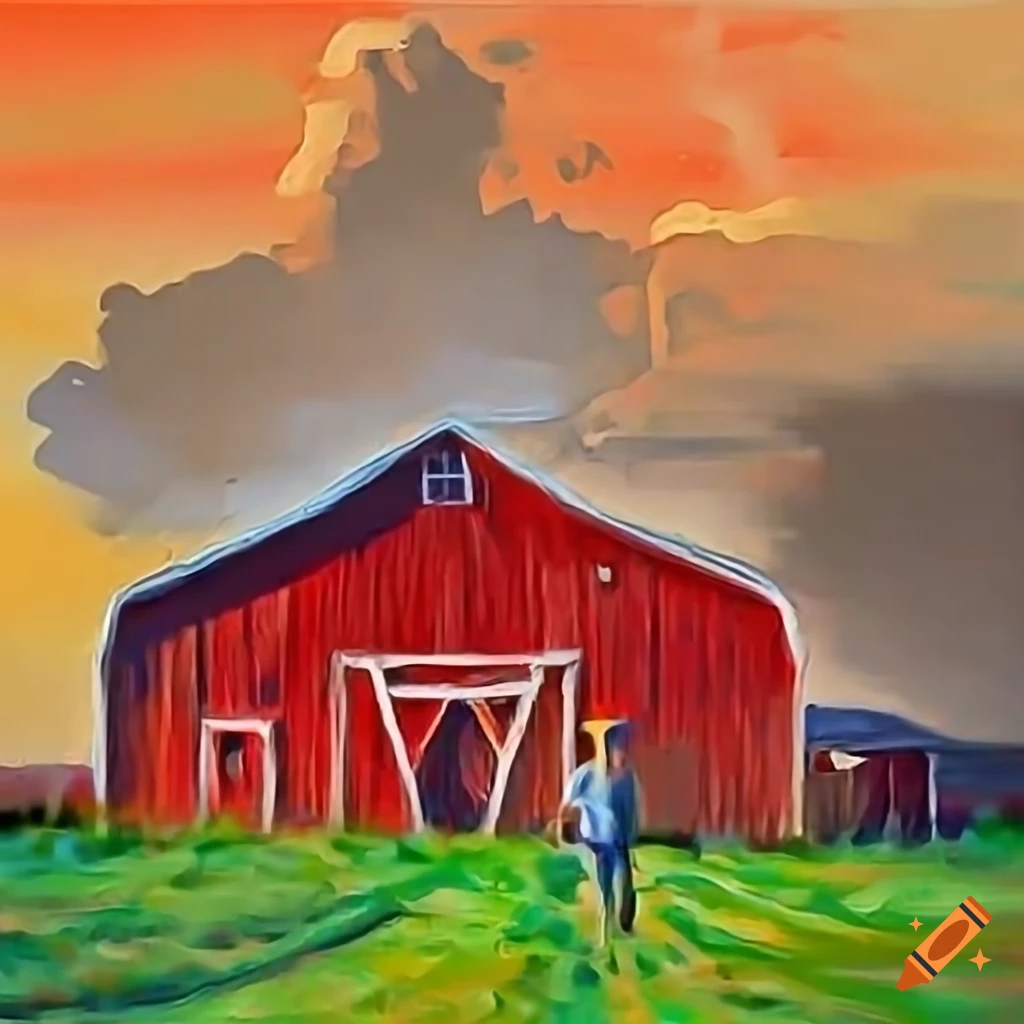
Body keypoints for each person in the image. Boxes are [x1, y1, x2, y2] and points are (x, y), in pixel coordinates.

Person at [558, 722, 640, 945]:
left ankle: (625, 924)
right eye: (618, 749)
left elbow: (630, 810)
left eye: (625, 749)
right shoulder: (586, 775)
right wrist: (569, 829)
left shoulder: (627, 778)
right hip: (599, 841)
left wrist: (631, 838)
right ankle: (605, 931)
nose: (623, 755)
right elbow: (567, 805)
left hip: (620, 840)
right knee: (606, 886)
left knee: (625, 883)